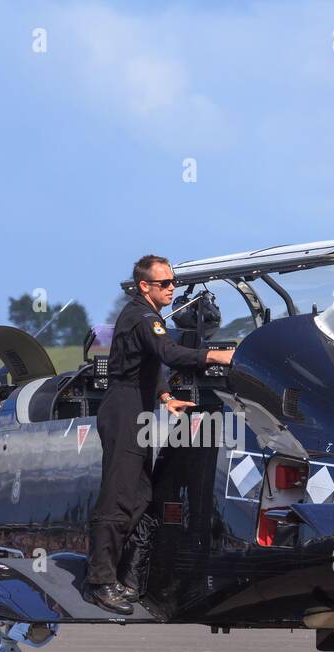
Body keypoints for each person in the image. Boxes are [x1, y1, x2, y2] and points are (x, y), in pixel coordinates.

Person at [85, 255, 234, 614]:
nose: (172, 288)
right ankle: (99, 582)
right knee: (119, 496)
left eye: (173, 282)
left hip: (136, 409)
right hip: (123, 411)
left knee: (139, 496)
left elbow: (151, 363)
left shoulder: (144, 316)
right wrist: (215, 356)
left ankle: (126, 579)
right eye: (164, 283)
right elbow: (168, 352)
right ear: (144, 286)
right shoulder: (142, 316)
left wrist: (165, 397)